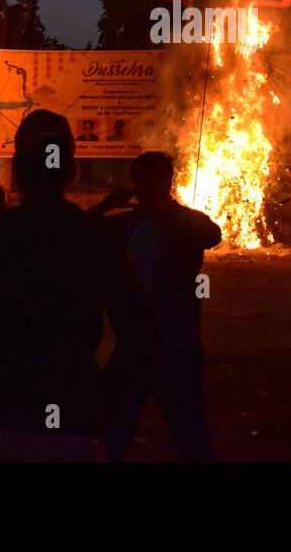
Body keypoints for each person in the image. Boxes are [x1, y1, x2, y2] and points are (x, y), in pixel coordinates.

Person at [0, 110, 155, 462]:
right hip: (72, 428)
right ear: (71, 170)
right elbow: (142, 339)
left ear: (19, 172)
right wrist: (99, 397)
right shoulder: (98, 241)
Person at [88, 151, 222, 462]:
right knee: (112, 431)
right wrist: (107, 204)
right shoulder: (127, 223)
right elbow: (80, 231)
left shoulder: (187, 223)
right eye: (139, 183)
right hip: (134, 348)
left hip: (177, 347)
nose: (143, 190)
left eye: (150, 183)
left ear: (167, 183)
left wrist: (167, 211)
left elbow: (212, 234)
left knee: (190, 434)